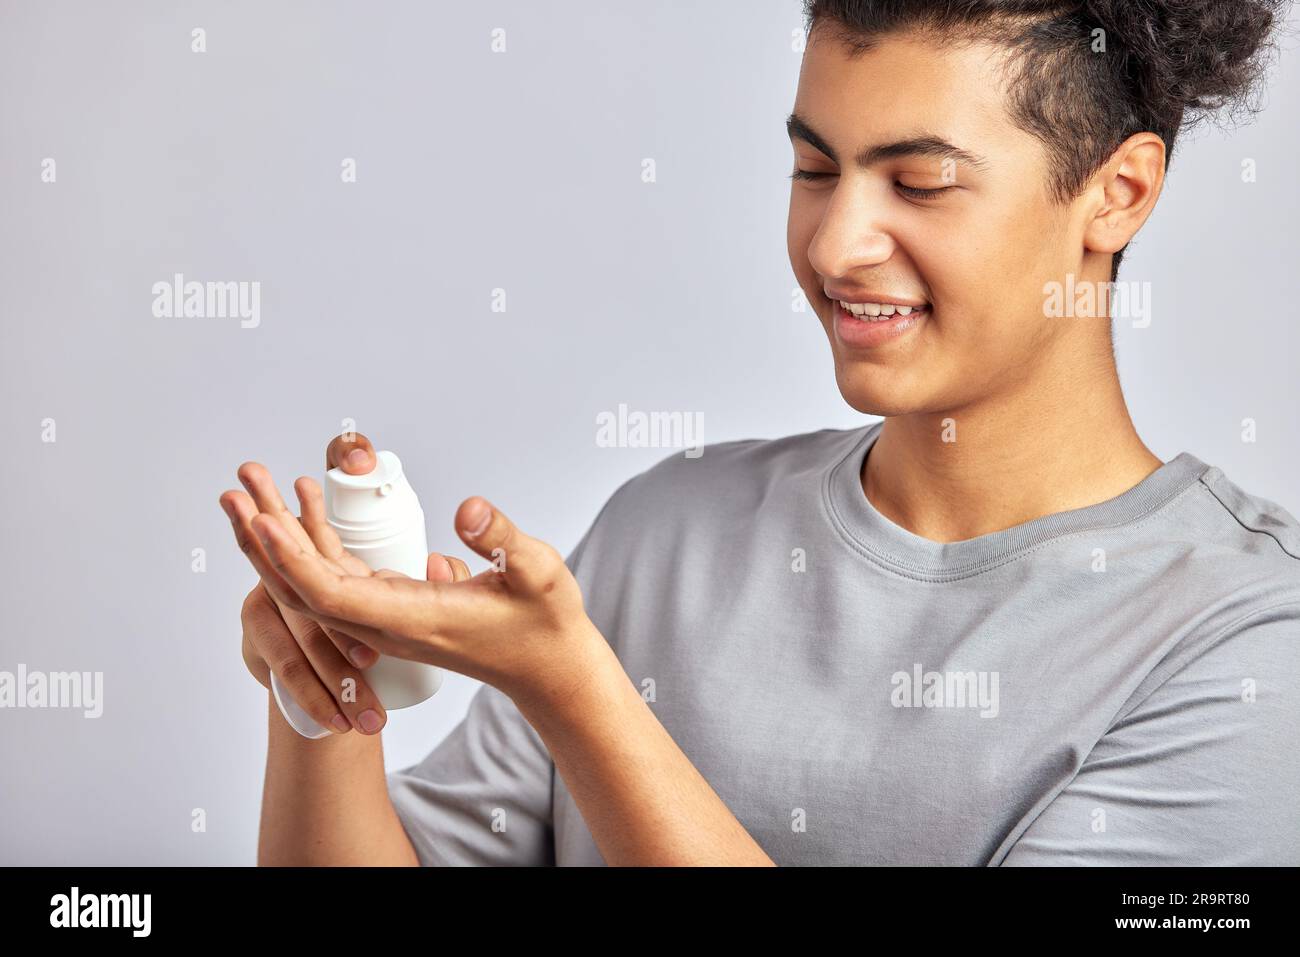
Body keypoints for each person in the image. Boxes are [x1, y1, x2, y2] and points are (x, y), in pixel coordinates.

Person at [220, 0, 1300, 865]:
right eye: (815, 170)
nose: (835, 245)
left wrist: (577, 695)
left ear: (1116, 193)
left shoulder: (1246, 644)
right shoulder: (666, 527)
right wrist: (322, 693)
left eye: (918, 182)